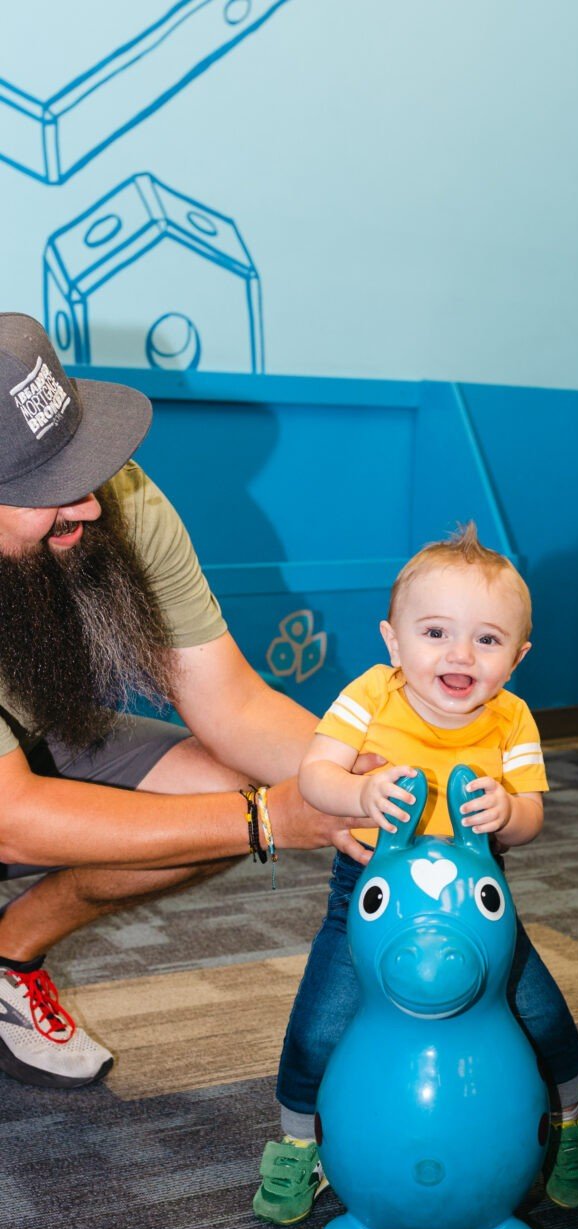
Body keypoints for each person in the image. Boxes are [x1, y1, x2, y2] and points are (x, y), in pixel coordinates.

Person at [0, 312, 381, 1091]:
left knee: (218, 795)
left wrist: (356, 779)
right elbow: (11, 815)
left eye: (83, 469)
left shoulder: (117, 501)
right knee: (243, 812)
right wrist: (272, 818)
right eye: (49, 490)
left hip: (26, 744)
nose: (90, 507)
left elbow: (233, 703)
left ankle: (9, 954)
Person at [251, 523, 578, 1223]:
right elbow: (315, 773)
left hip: (478, 901)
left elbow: (531, 819)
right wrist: (357, 795)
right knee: (321, 1019)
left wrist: (507, 811)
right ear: (393, 640)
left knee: (541, 1012)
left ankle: (568, 1124)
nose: (459, 655)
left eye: (487, 640)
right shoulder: (373, 693)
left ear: (518, 655)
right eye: (435, 632)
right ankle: (295, 1143)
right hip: (372, 895)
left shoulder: (510, 718)